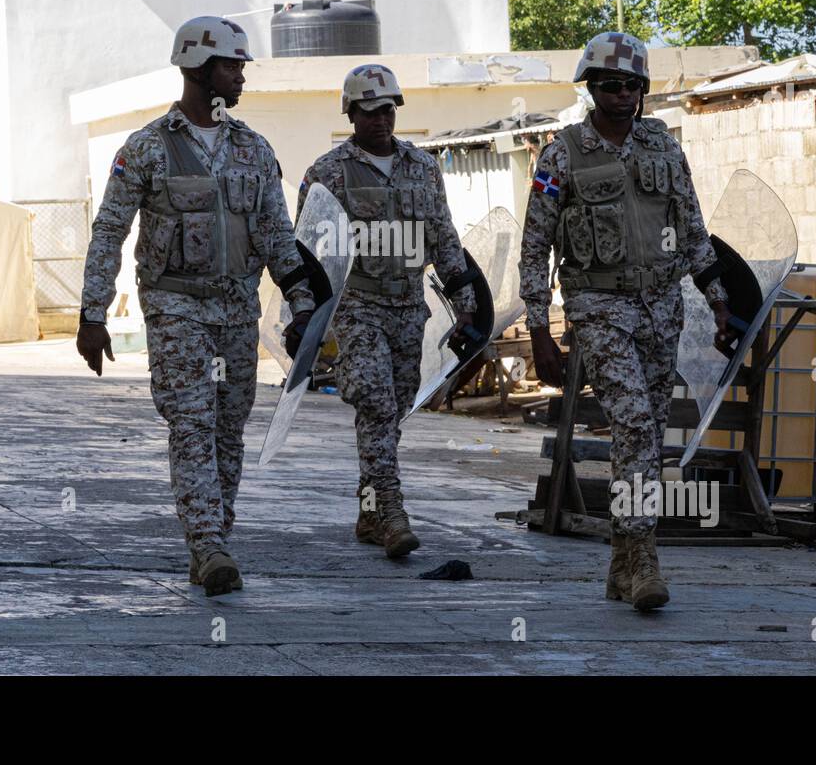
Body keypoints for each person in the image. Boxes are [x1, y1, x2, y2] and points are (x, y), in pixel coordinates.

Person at [76, 16, 316, 596]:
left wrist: (303, 305)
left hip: (237, 313)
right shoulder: (147, 151)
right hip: (176, 309)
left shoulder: (254, 151)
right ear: (198, 69)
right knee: (192, 424)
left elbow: (278, 236)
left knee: (230, 430)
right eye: (233, 65)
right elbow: (110, 231)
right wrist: (92, 313)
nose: (240, 77)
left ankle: (214, 539)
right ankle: (208, 545)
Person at [518, 32, 732, 611]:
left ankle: (619, 564)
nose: (621, 93)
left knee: (644, 437)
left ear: (642, 89)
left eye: (631, 84)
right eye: (609, 84)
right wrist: (540, 328)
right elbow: (535, 245)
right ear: (591, 87)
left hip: (662, 308)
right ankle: (644, 559)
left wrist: (717, 301)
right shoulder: (561, 154)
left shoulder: (663, 148)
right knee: (635, 424)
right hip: (597, 308)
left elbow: (691, 228)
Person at [295, 63, 475, 558]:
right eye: (370, 110)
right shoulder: (327, 172)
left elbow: (443, 236)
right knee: (374, 401)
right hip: (358, 307)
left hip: (408, 306)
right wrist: (305, 316)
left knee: (392, 409)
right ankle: (392, 511)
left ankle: (370, 509)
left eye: (389, 109)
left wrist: (466, 304)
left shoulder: (423, 167)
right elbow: (308, 250)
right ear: (351, 113)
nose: (381, 119)